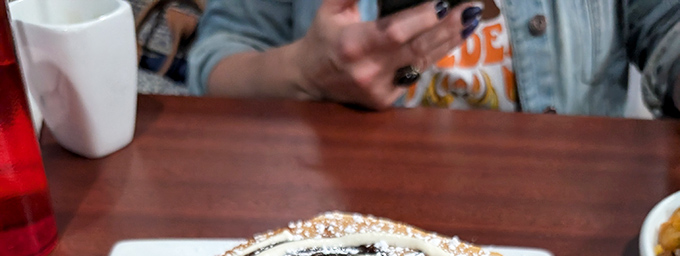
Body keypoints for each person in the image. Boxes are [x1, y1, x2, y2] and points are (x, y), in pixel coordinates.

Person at [186, 0, 680, 118]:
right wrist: (303, 73)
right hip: (338, 208)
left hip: (569, 221)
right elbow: (216, 60)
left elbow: (664, 22)